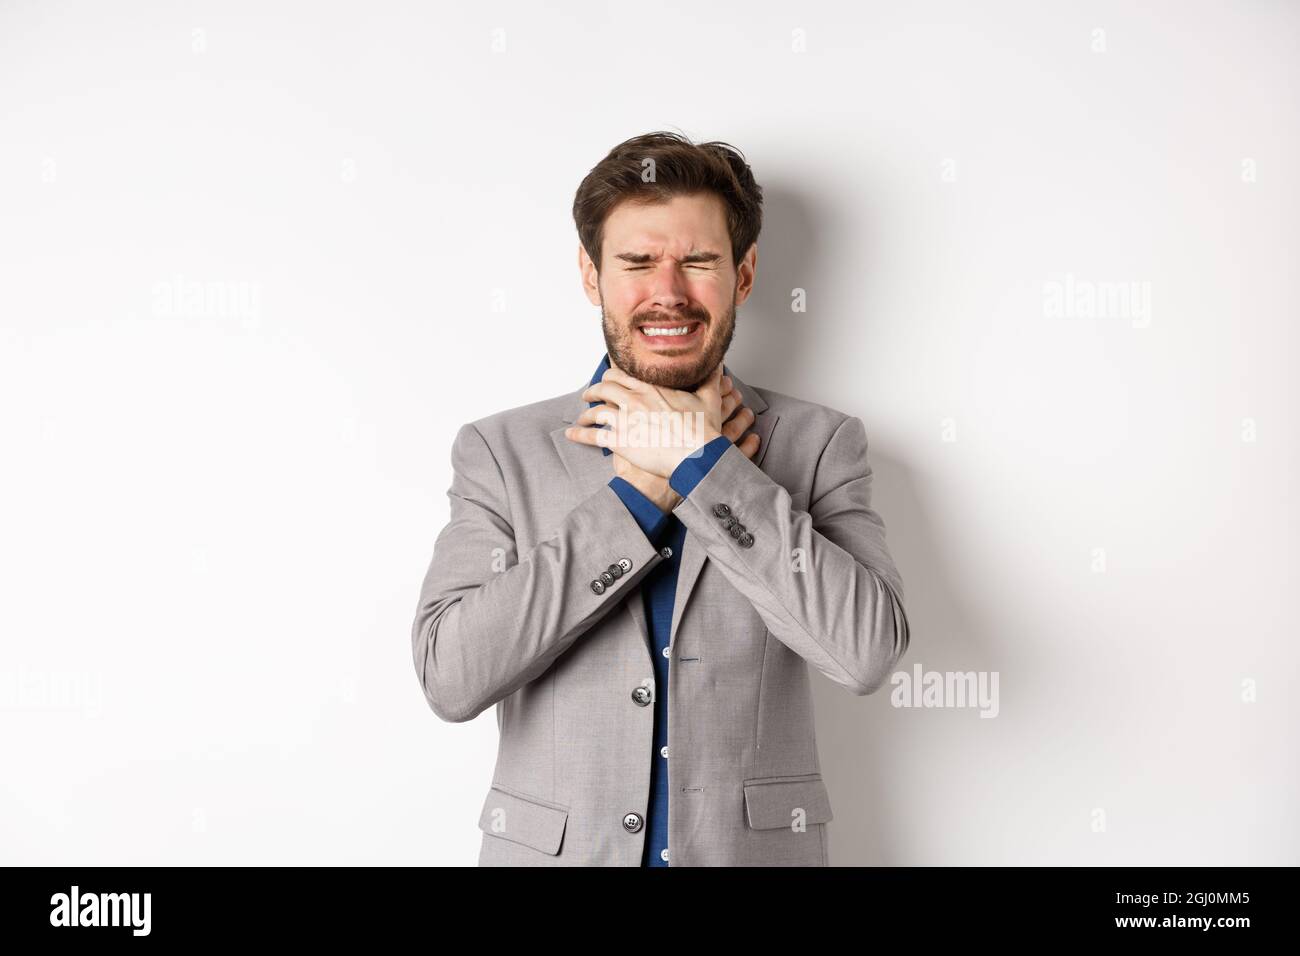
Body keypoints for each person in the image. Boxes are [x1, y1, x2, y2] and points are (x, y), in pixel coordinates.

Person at [411, 131, 910, 866]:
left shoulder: (822, 444)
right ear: (592, 274)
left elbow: (866, 651)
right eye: (638, 262)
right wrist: (644, 486)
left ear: (743, 275)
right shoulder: (500, 450)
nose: (667, 291)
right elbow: (451, 678)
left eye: (698, 261)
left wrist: (705, 467)